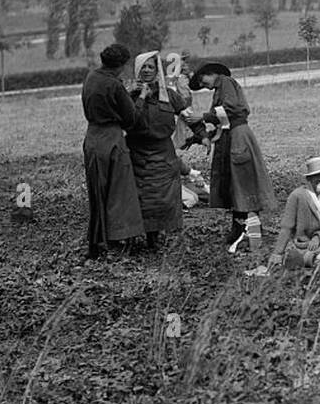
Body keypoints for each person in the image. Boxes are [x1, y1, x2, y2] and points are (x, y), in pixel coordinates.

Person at [183, 60, 277, 251]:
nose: (204, 86)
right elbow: (222, 122)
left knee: (243, 182)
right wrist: (198, 138)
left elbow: (231, 109)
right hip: (231, 135)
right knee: (236, 184)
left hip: (238, 136)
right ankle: (242, 226)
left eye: (203, 81)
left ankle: (247, 228)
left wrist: (203, 117)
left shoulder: (225, 83)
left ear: (211, 73)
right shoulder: (220, 88)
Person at [81, 44, 146, 258]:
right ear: (121, 65)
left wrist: (128, 94)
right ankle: (119, 240)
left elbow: (105, 100)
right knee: (120, 191)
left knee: (97, 191)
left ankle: (98, 241)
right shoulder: (115, 84)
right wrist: (142, 97)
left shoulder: (91, 77)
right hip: (112, 139)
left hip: (92, 138)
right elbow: (131, 119)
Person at [125, 51, 189, 250]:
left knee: (163, 199)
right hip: (137, 155)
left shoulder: (169, 95)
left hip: (163, 155)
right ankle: (137, 237)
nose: (146, 70)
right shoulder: (128, 96)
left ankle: (158, 235)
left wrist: (202, 134)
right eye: (143, 67)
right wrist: (134, 94)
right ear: (136, 69)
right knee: (140, 199)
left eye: (150, 67)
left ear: (157, 70)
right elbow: (123, 118)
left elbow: (187, 114)